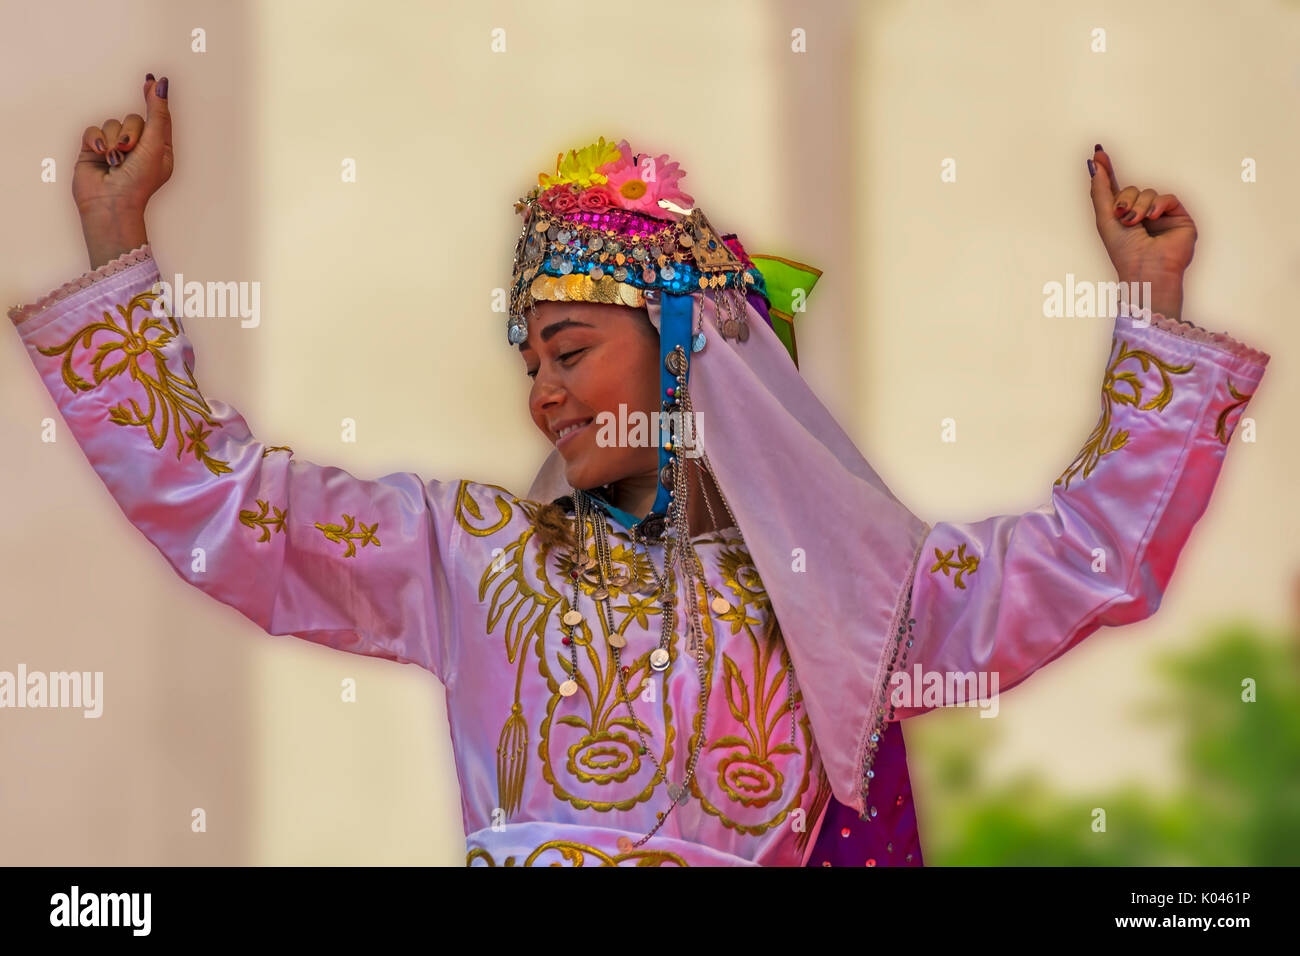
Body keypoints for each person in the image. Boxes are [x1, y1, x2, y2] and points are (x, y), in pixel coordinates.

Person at [8, 75, 1271, 867]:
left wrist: (1151, 303)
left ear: (687, 355)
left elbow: (1089, 560)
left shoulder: (846, 599)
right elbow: (226, 501)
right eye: (530, 356)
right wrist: (116, 239)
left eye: (569, 347)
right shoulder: (465, 552)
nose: (540, 390)